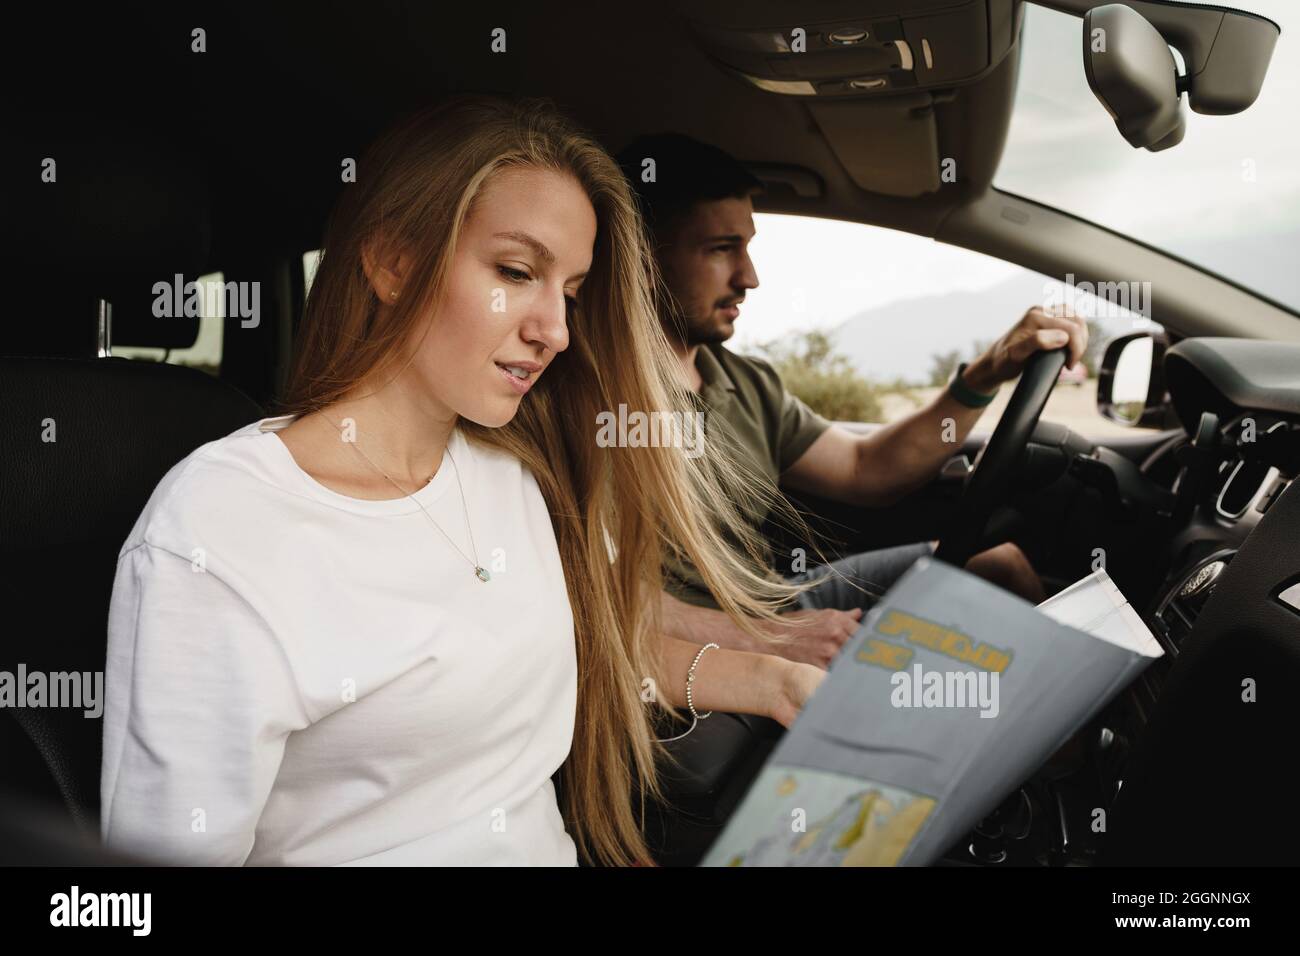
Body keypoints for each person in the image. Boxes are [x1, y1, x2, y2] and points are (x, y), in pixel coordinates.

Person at [99, 97, 827, 868]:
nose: (556, 329)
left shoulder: (520, 474)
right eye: (516, 273)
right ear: (392, 262)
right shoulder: (220, 528)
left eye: (571, 293)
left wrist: (777, 680)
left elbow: (588, 645)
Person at [616, 133, 1088, 670]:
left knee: (998, 566)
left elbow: (868, 467)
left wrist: (985, 375)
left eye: (747, 247)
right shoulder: (595, 400)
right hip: (691, 642)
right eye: (721, 249)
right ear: (642, 257)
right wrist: (766, 640)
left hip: (775, 600)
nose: (749, 277)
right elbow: (595, 591)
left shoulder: (746, 383)